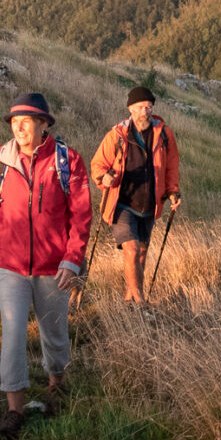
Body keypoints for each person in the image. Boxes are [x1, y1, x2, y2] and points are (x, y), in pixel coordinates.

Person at [0, 92, 93, 440]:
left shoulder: (67, 160)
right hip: (8, 263)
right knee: (12, 331)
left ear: (43, 125)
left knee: (54, 330)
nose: (19, 128)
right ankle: (14, 410)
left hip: (54, 265)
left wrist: (73, 258)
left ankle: (56, 383)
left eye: (27, 122)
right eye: (14, 122)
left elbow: (81, 215)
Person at [89, 86, 182, 306]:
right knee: (130, 249)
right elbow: (98, 164)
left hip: (149, 203)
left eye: (149, 107)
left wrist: (173, 191)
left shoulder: (164, 134)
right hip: (123, 202)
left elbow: (171, 166)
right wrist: (104, 178)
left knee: (141, 251)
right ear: (130, 109)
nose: (145, 111)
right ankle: (138, 299)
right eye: (141, 107)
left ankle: (129, 296)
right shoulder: (118, 134)